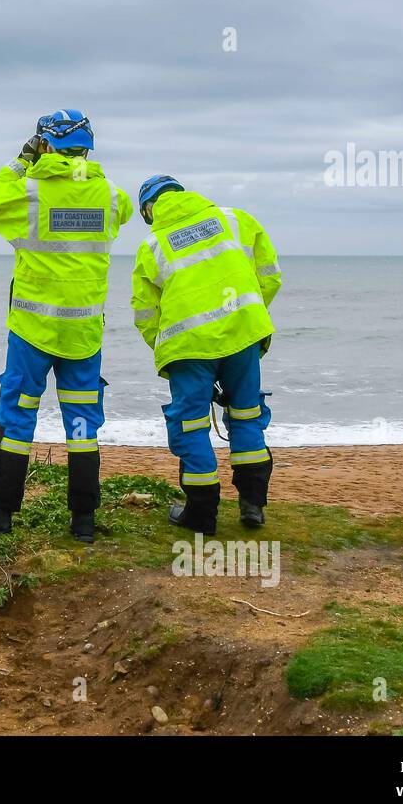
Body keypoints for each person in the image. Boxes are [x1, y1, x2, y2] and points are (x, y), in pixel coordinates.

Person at [0, 111, 133, 543]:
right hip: (84, 332)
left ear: (46, 145)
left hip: (33, 329)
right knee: (82, 425)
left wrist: (22, 160)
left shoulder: (30, 192)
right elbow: (122, 210)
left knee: (18, 419)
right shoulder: (112, 197)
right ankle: (83, 523)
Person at [130, 175, 283, 535]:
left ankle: (201, 516)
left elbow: (145, 313)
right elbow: (270, 276)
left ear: (149, 209)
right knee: (246, 415)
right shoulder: (235, 220)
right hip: (244, 337)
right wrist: (243, 319)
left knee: (190, 425)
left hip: (187, 350)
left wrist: (167, 348)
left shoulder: (152, 246)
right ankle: (252, 507)